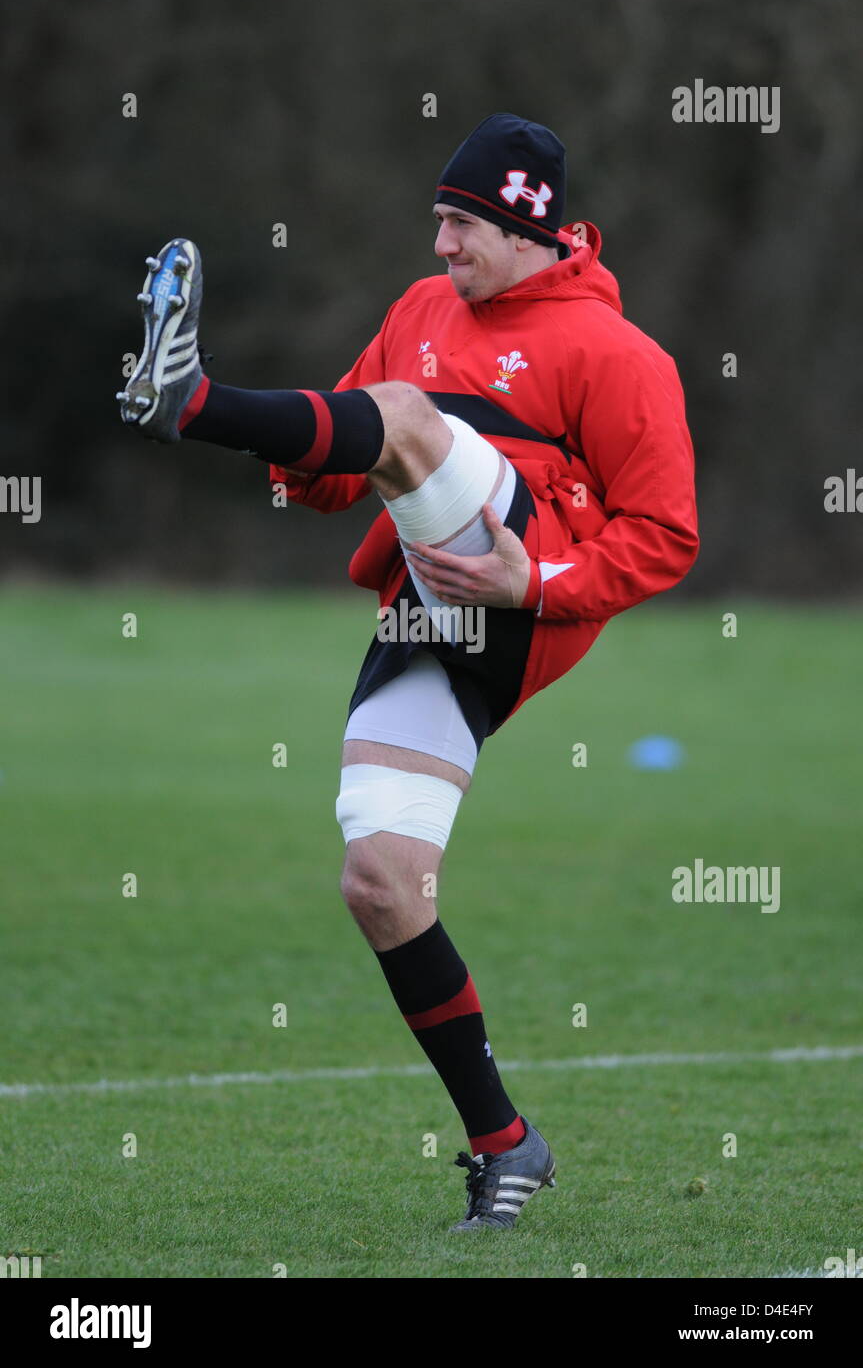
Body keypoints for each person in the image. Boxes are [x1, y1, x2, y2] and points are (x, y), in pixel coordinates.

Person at [117, 112, 699, 1231]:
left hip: (523, 598)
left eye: (457, 224)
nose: (437, 246)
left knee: (405, 418)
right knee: (380, 883)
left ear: (524, 227)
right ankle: (505, 1144)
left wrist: (532, 585)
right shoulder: (418, 312)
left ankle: (187, 401)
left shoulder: (619, 356)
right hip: (429, 613)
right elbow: (340, 471)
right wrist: (282, 457)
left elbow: (664, 535)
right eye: (435, 221)